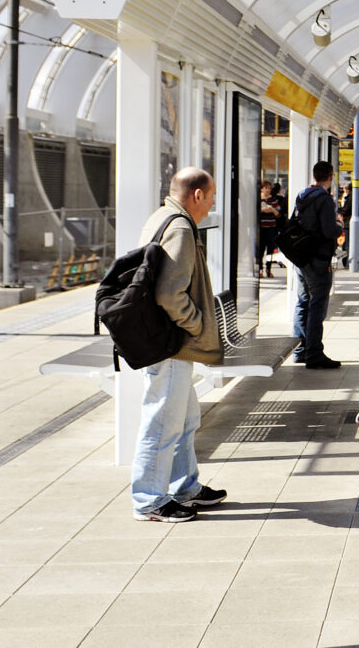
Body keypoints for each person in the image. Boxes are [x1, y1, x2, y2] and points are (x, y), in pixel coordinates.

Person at [131, 167, 228, 523]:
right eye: (212, 195)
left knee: (185, 419)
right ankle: (148, 500)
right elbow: (169, 293)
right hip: (170, 343)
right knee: (162, 423)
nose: (213, 202)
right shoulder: (181, 227)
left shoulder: (162, 217)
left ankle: (185, 487)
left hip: (166, 341)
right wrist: (196, 323)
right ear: (197, 195)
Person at [291, 162, 343, 369]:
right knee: (317, 305)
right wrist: (339, 227)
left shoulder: (303, 195)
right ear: (330, 177)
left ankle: (300, 349)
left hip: (302, 257)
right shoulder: (325, 199)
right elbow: (329, 231)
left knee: (303, 301)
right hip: (318, 259)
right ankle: (314, 353)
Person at [256, 181, 280, 278]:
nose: (268, 190)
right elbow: (253, 212)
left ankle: (268, 269)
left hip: (271, 228)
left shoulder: (273, 200)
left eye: (269, 188)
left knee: (270, 250)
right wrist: (262, 210)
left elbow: (278, 213)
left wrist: (272, 210)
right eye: (266, 188)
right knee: (260, 250)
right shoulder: (258, 199)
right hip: (261, 229)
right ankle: (260, 270)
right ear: (262, 189)